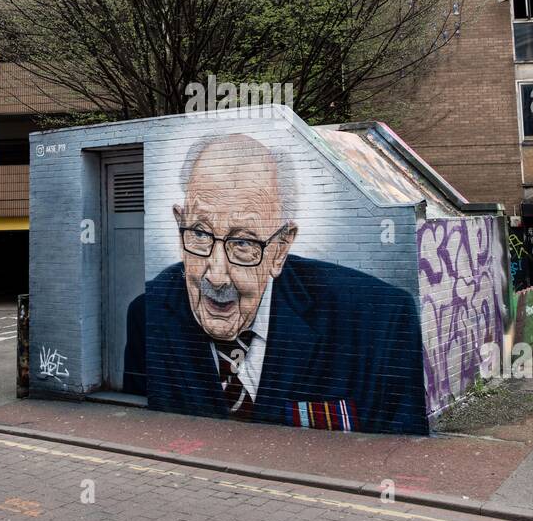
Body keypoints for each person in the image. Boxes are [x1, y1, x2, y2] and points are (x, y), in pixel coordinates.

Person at [123, 133, 428, 435]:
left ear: (280, 249)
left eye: (243, 243)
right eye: (200, 234)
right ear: (180, 227)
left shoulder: (379, 322)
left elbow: (401, 448)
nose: (216, 275)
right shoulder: (148, 315)